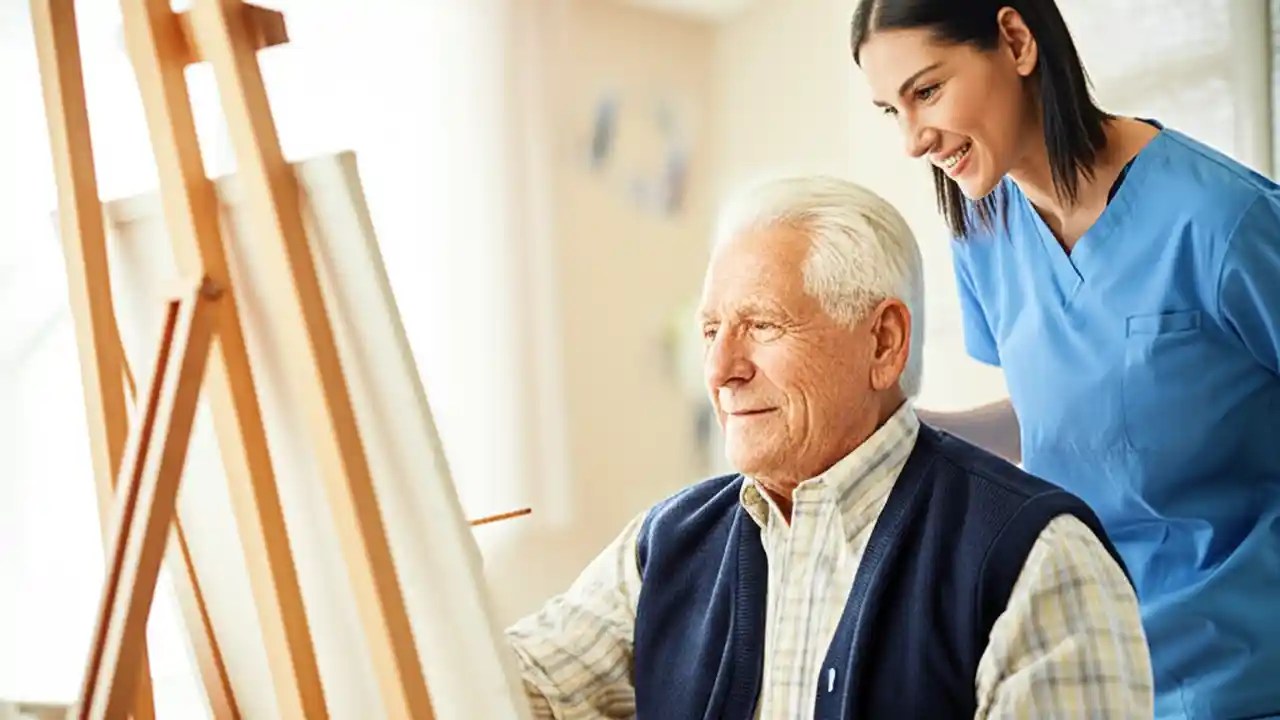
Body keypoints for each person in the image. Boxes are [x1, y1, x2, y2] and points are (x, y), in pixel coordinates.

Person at [505, 176, 1152, 718]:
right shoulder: (664, 547)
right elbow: (498, 688)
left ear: (883, 343)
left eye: (760, 325)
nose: (722, 368)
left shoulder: (1039, 559)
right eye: (710, 331)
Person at [850, 2, 1280, 718]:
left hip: (1244, 682)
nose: (912, 139)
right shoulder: (984, 232)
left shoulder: (1222, 221)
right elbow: (1052, 416)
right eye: (890, 110)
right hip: (1092, 671)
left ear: (1015, 41)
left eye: (926, 91)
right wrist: (894, 431)